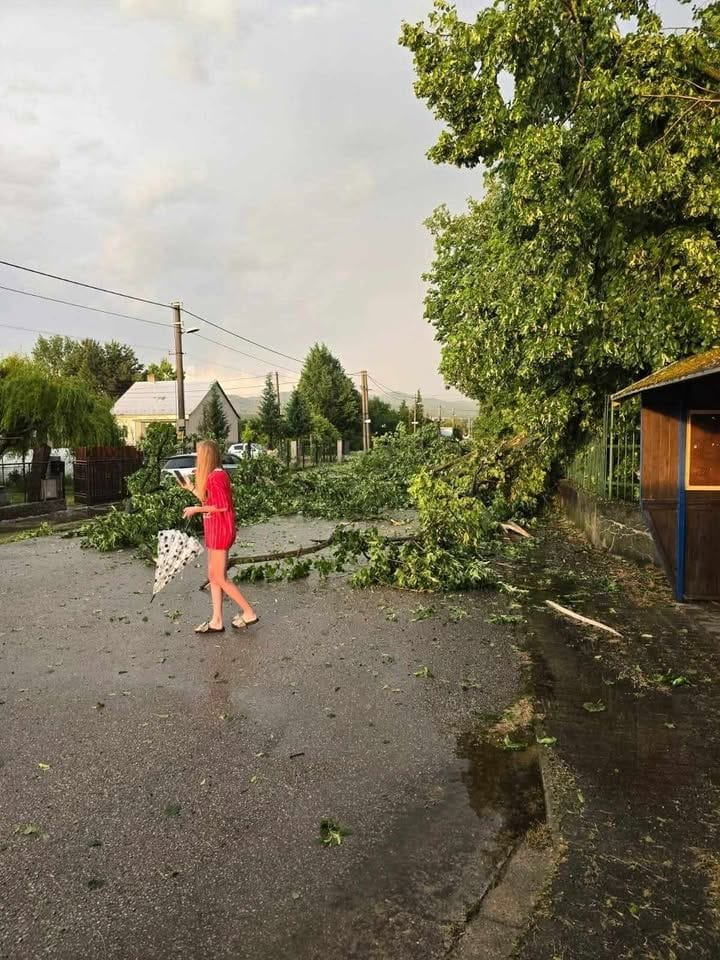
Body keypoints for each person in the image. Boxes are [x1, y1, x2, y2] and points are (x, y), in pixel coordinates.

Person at [178, 439, 258, 634]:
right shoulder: (214, 476)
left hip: (221, 530)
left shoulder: (217, 477)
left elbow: (222, 506)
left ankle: (248, 613)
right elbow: (209, 500)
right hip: (214, 530)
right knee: (213, 576)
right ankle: (216, 620)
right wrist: (191, 488)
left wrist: (195, 509)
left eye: (199, 454)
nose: (197, 458)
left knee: (220, 578)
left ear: (206, 456)